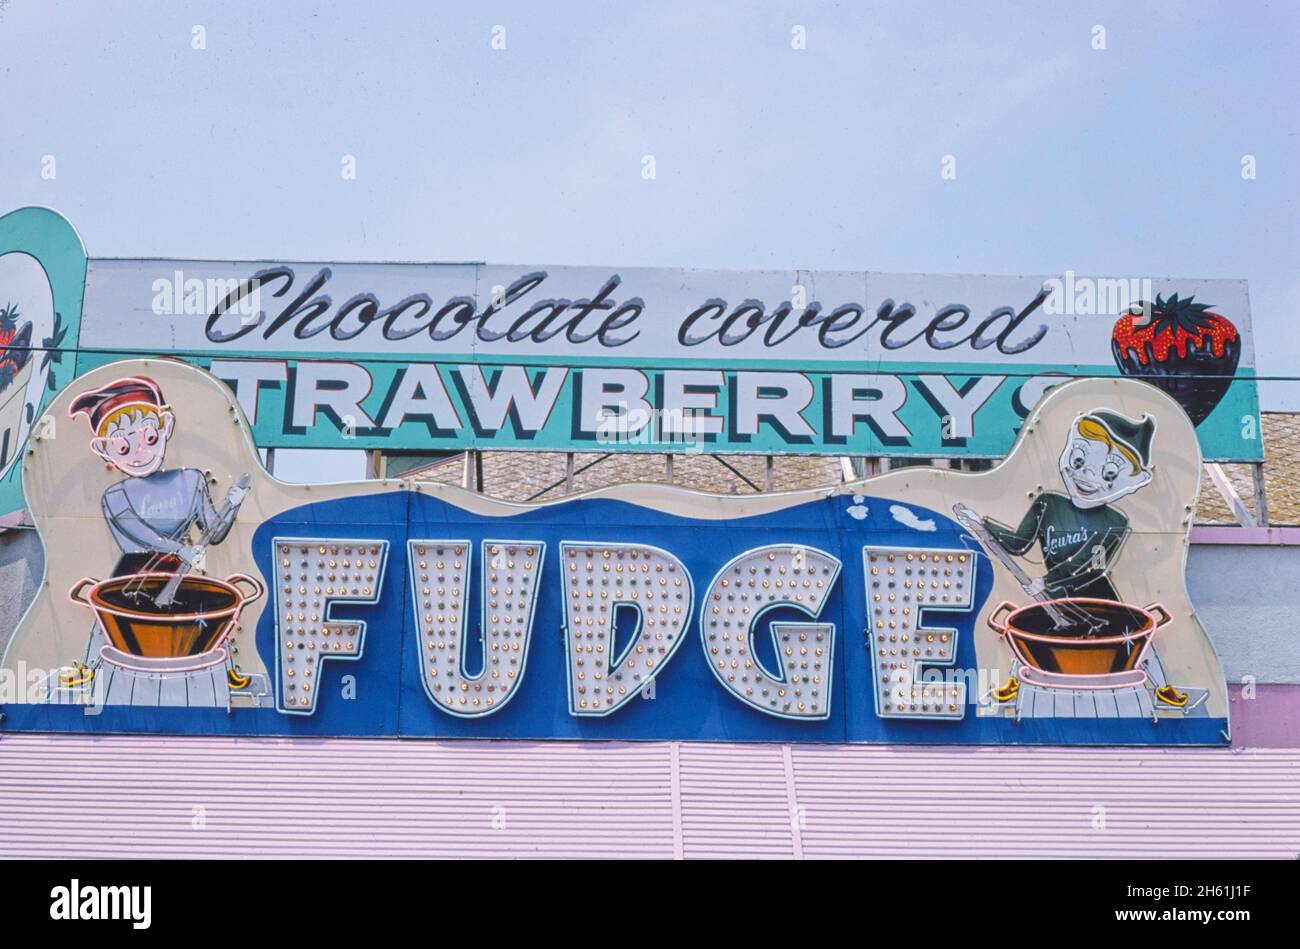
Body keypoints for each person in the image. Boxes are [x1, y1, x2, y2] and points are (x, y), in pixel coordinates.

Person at [60, 375, 250, 689]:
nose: (138, 451)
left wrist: (233, 504)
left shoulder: (192, 479)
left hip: (182, 569)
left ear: (166, 427)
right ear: (103, 449)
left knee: (204, 614)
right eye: (122, 445)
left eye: (148, 436)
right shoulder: (114, 495)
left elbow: (213, 533)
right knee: (109, 618)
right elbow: (140, 533)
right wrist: (180, 549)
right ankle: (90, 666)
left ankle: (227, 666)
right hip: (134, 572)